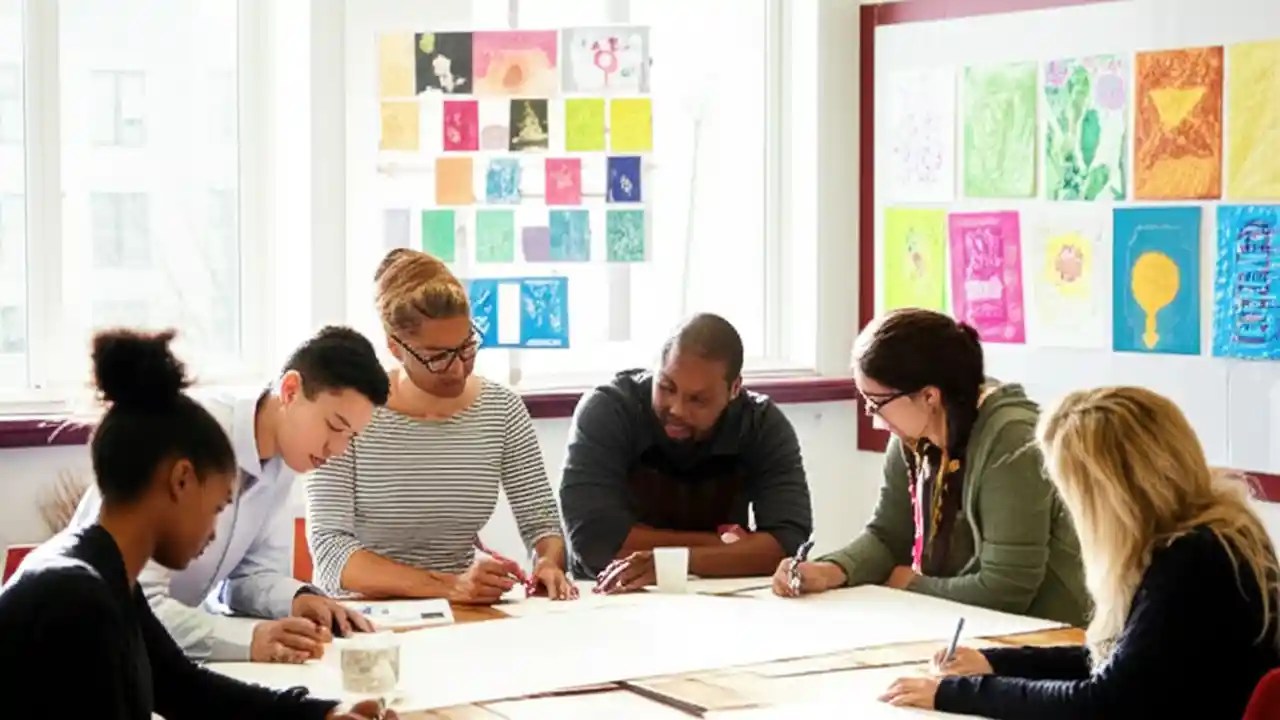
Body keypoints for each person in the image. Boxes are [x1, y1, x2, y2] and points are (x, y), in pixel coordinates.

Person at [0, 329, 394, 719]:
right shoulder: (79, 600)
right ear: (181, 481)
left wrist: (324, 715)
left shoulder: (109, 578)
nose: (214, 534)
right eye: (220, 506)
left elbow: (182, 687)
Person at [881, 386, 1280, 718]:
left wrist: (956, 694)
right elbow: (1123, 659)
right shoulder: (1214, 531)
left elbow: (1104, 700)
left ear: (1108, 491)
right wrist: (995, 663)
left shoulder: (1192, 560)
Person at [775, 309, 1088, 627]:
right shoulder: (914, 434)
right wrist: (831, 571)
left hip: (1052, 637)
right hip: (965, 625)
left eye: (875, 403)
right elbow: (888, 535)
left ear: (929, 396)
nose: (873, 417)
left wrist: (910, 585)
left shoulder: (1012, 440)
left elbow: (1006, 588)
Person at [307, 249, 574, 604]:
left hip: (464, 610)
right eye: (436, 357)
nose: (458, 368)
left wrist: (547, 561)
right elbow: (330, 555)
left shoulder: (501, 409)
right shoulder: (350, 416)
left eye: (466, 348)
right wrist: (447, 586)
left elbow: (542, 521)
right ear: (395, 348)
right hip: (363, 616)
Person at [560, 313, 813, 592]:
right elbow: (594, 542)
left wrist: (675, 562)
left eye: (698, 399)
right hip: (609, 594)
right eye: (666, 387)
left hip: (725, 596)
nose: (677, 409)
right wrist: (731, 547)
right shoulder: (609, 410)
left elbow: (789, 544)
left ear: (734, 389)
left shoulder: (760, 425)